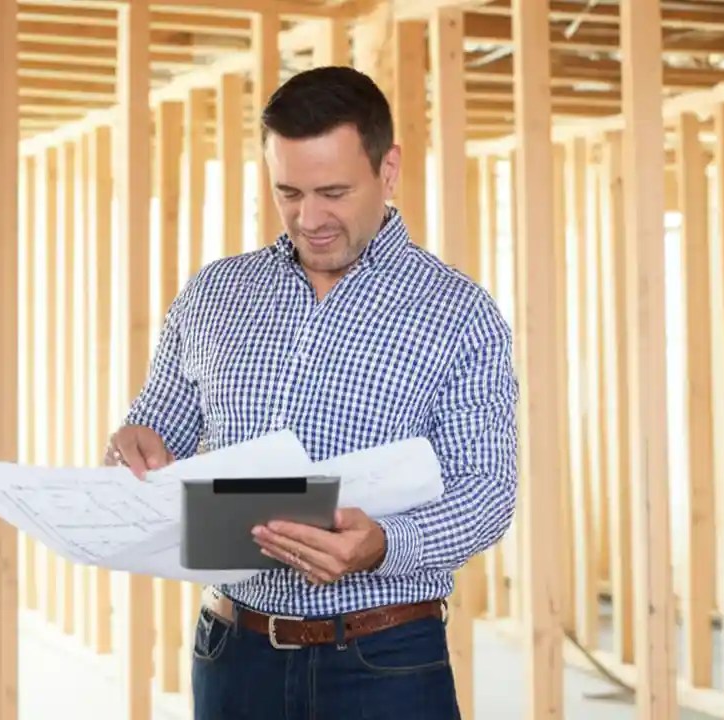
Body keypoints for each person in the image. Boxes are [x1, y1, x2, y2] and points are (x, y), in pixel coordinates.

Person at [104, 66, 518, 720]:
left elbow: (487, 492)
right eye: (288, 192)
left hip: (384, 661)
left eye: (333, 192)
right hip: (231, 653)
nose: (309, 217)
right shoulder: (216, 294)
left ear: (388, 171)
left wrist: (382, 544)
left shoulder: (457, 313)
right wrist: (137, 445)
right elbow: (159, 427)